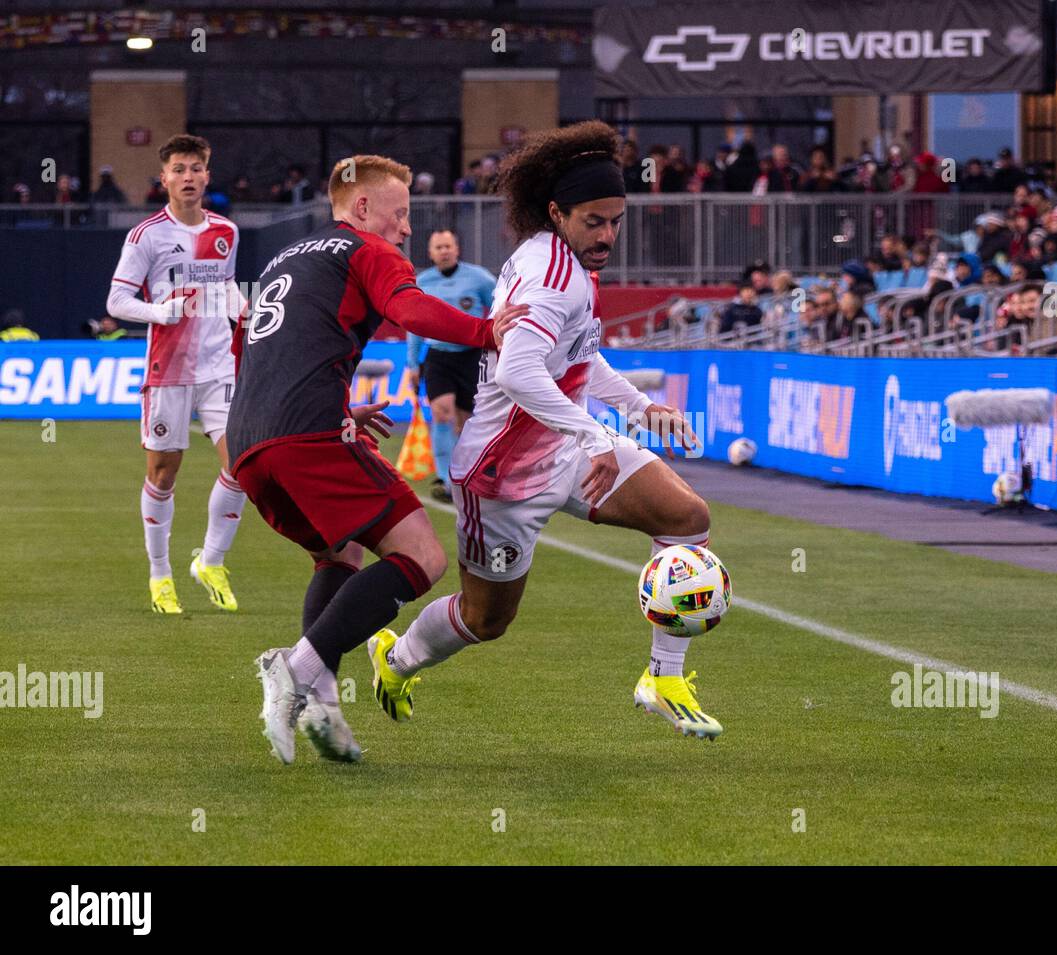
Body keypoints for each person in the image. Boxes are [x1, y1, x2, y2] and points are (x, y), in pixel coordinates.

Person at [371, 121, 724, 741]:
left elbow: (581, 354)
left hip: (565, 448)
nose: (608, 235)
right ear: (557, 212)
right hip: (502, 474)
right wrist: (595, 437)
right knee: (485, 620)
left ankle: (661, 679)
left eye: (617, 220)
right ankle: (396, 660)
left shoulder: (565, 260)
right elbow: (516, 372)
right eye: (595, 221)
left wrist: (638, 409)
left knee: (685, 518)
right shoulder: (550, 277)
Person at [235, 154, 527, 764]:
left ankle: (325, 707)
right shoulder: (366, 251)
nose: (407, 231)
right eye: (402, 214)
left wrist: (336, 409)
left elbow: (265, 344)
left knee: (338, 553)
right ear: (363, 207)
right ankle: (297, 669)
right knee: (423, 557)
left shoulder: (288, 256)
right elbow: (413, 311)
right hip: (304, 435)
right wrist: (488, 331)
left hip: (249, 442)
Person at [106, 134, 247, 616]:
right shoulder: (146, 236)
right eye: (178, 170)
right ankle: (160, 573)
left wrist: (247, 311)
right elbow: (117, 301)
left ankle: (210, 561)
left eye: (196, 168)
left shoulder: (226, 230)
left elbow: (224, 285)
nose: (187, 177)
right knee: (163, 474)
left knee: (243, 462)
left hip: (218, 365)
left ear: (207, 175)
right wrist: (159, 311)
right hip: (168, 369)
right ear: (164, 178)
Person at [404, 229, 496, 502]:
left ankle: (467, 474)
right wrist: (412, 363)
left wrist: (496, 345)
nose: (443, 251)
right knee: (441, 412)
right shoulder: (421, 282)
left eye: (448, 246)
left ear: (457, 249)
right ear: (431, 253)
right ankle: (445, 480)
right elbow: (414, 325)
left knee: (465, 422)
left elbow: (498, 310)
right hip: (438, 356)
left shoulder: (479, 278)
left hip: (470, 356)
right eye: (438, 247)